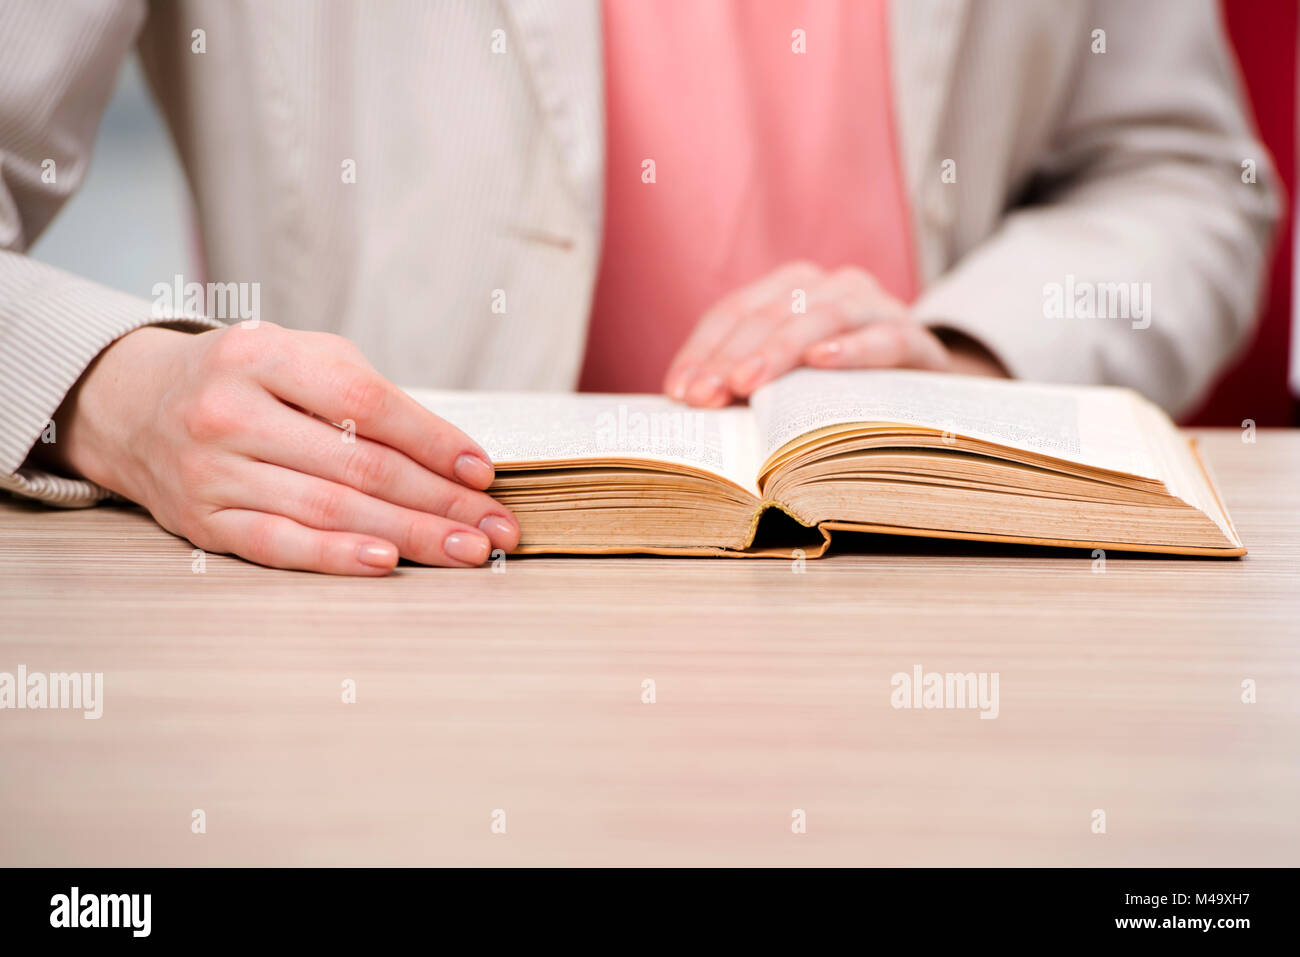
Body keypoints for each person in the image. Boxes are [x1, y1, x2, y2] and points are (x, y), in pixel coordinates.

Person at [0, 0, 1279, 574]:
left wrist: (965, 356)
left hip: (924, 589)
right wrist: (119, 395)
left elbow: (1181, 175)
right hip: (379, 597)